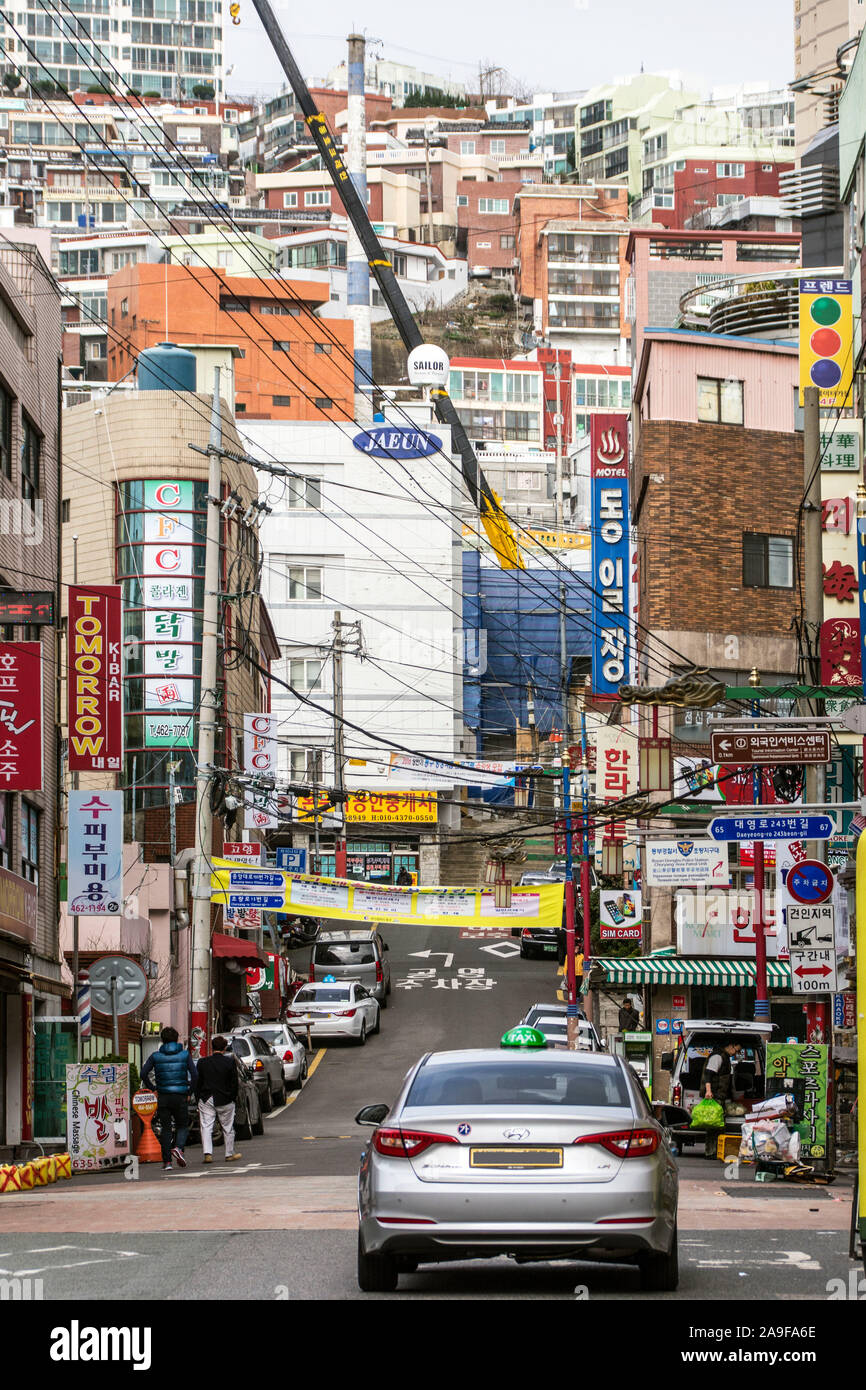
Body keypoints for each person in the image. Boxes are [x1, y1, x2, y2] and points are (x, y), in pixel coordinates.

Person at [141, 1026, 198, 1172]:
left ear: (162, 1040)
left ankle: (167, 1162)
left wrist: (153, 1088)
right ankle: (178, 1148)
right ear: (177, 1039)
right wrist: (189, 1091)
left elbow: (143, 1073)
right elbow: (195, 1075)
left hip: (163, 1097)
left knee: (166, 1129)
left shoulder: (155, 1056)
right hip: (180, 1096)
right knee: (182, 1126)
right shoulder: (185, 1055)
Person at [195, 1035, 242, 1164]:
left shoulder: (202, 1062)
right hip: (225, 1098)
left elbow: (198, 1082)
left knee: (206, 1126)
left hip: (207, 1097)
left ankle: (208, 1154)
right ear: (225, 1047)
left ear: (212, 1047)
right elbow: (234, 1083)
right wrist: (232, 1097)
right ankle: (229, 1154)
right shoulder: (229, 1062)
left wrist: (198, 1097)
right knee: (227, 1127)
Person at [700, 1041, 740, 1158]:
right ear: (730, 1045)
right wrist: (708, 1091)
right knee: (714, 1125)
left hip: (719, 1096)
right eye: (736, 1050)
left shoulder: (725, 1057)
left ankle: (717, 1150)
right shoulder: (717, 1056)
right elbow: (708, 1074)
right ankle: (711, 1151)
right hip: (714, 1096)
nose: (735, 1054)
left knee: (718, 1125)